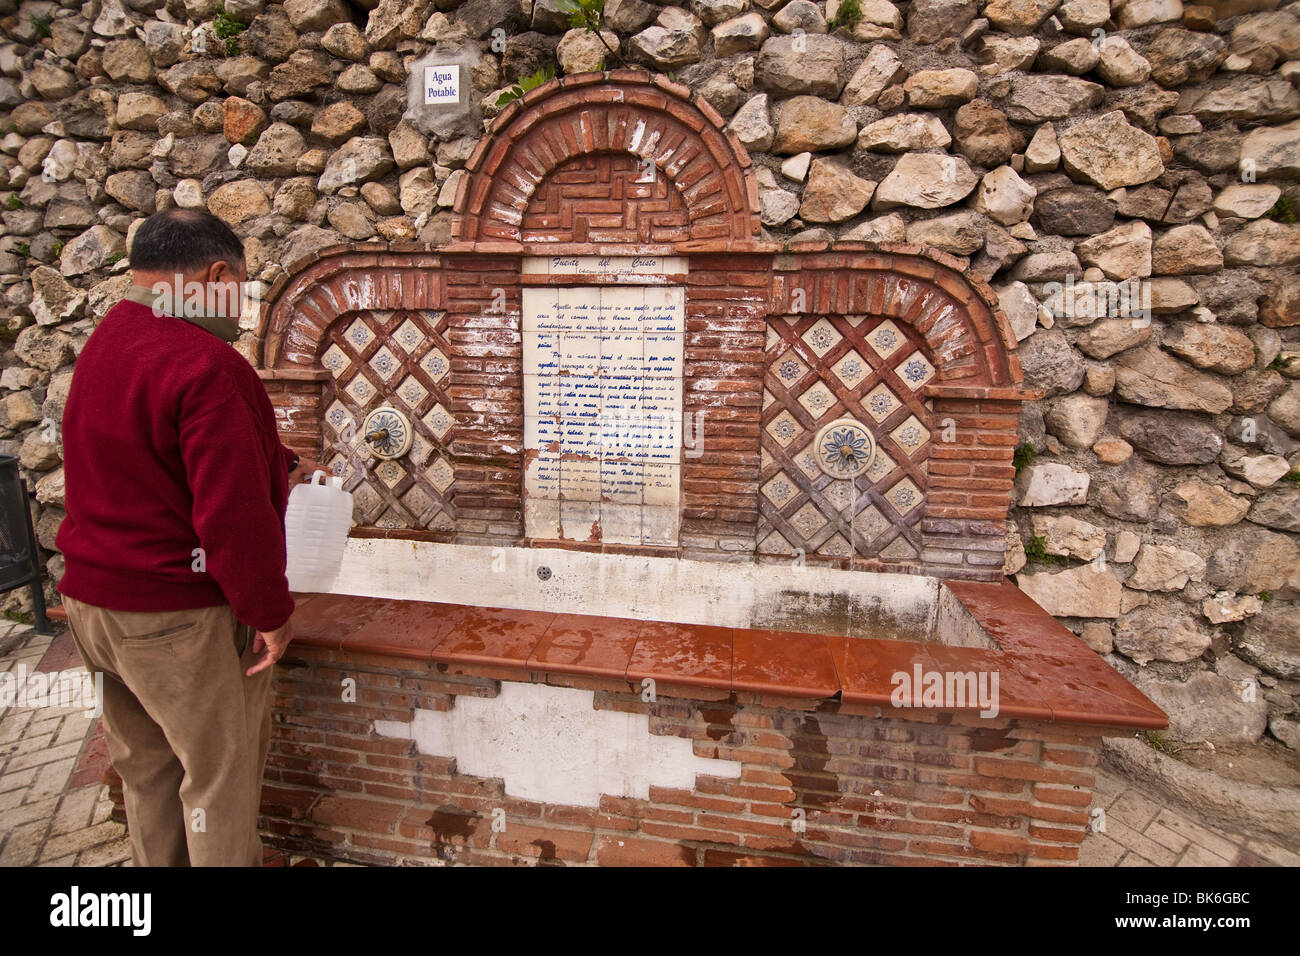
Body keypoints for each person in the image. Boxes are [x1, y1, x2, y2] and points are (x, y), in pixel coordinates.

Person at [55, 208, 322, 866]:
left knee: (149, 775)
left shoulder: (109, 342)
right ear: (216, 275)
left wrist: (278, 462)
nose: (242, 305)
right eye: (242, 287)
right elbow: (233, 518)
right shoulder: (209, 365)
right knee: (217, 783)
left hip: (96, 608)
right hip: (174, 618)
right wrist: (270, 612)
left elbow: (147, 446)